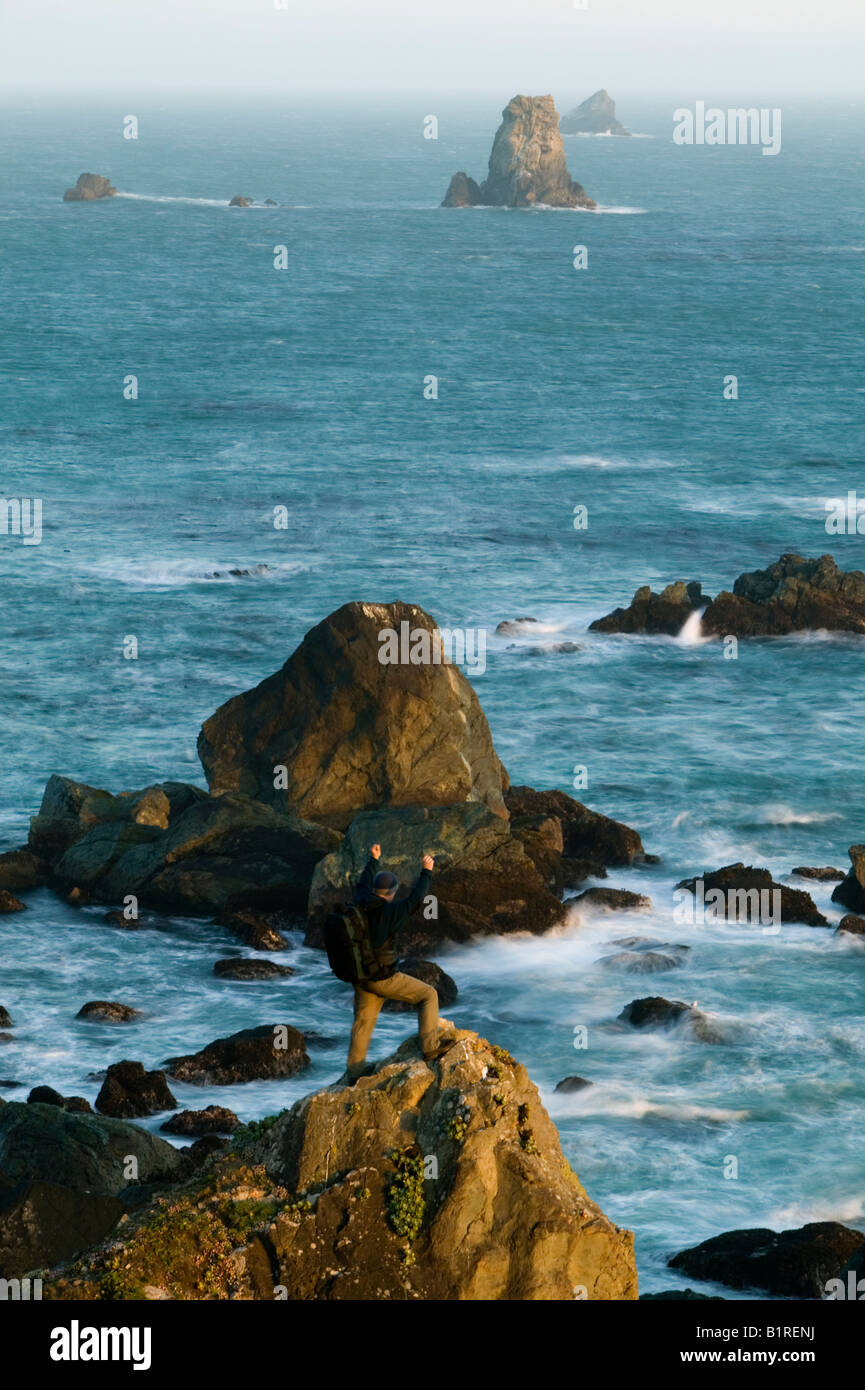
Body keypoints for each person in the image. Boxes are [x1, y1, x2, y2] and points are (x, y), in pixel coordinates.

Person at [345, 842, 453, 1081]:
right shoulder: (392, 912)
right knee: (428, 995)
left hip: (360, 975)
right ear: (392, 893)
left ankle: (353, 1072)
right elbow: (416, 898)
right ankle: (430, 1047)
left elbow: (363, 881)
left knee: (363, 1023)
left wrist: (374, 860)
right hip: (383, 977)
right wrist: (426, 870)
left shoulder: (361, 900)